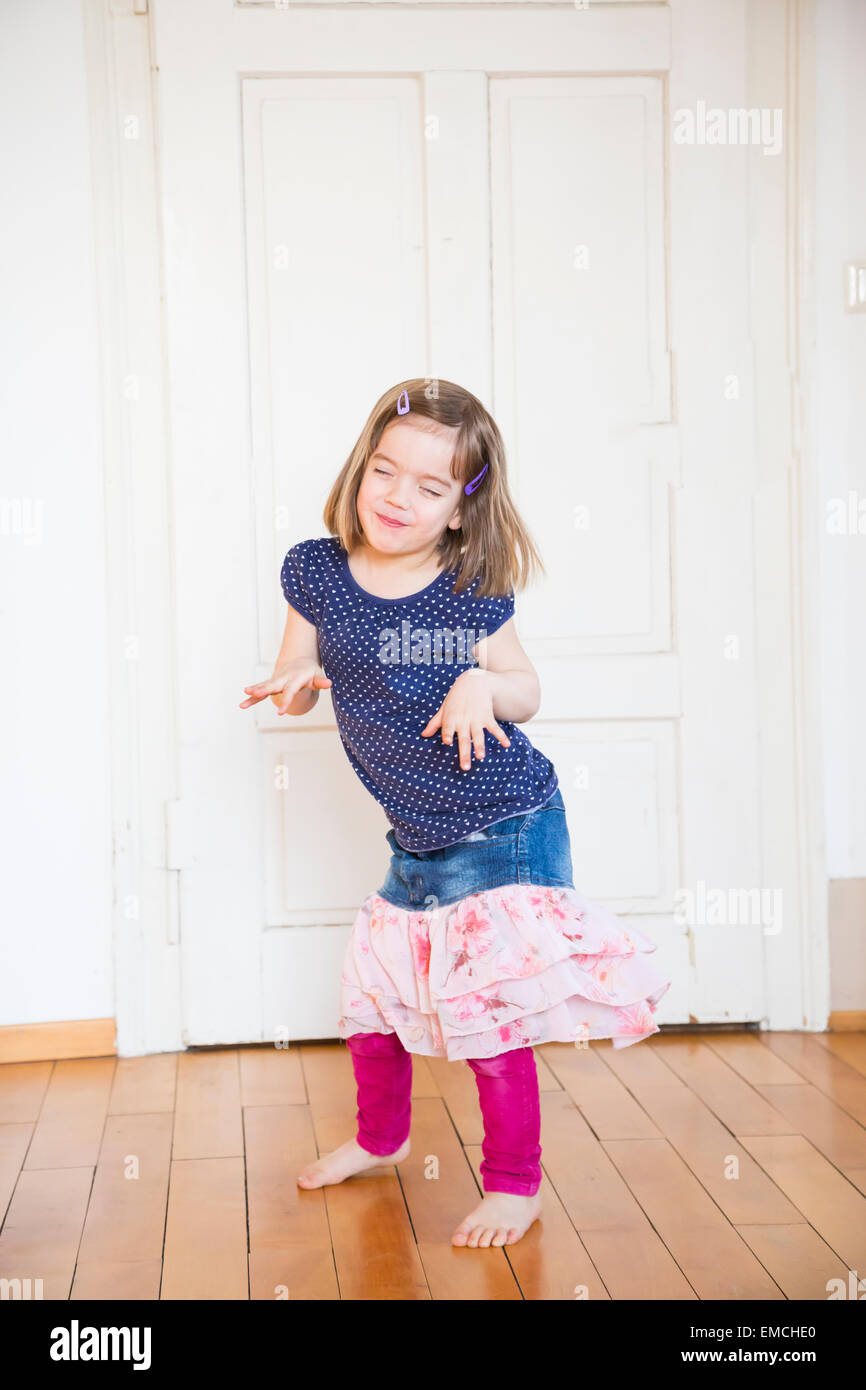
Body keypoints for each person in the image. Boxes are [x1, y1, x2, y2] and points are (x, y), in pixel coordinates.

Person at [241, 378, 671, 1249]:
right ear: (361, 468)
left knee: (485, 1010)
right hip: (420, 834)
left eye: (429, 487)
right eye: (385, 472)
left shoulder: (466, 592)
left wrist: (482, 682)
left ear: (464, 508)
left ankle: (516, 1185)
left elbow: (527, 689)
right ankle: (380, 1137)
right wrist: (293, 685)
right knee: (371, 996)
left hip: (502, 821)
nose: (398, 497)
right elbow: (296, 680)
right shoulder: (315, 572)